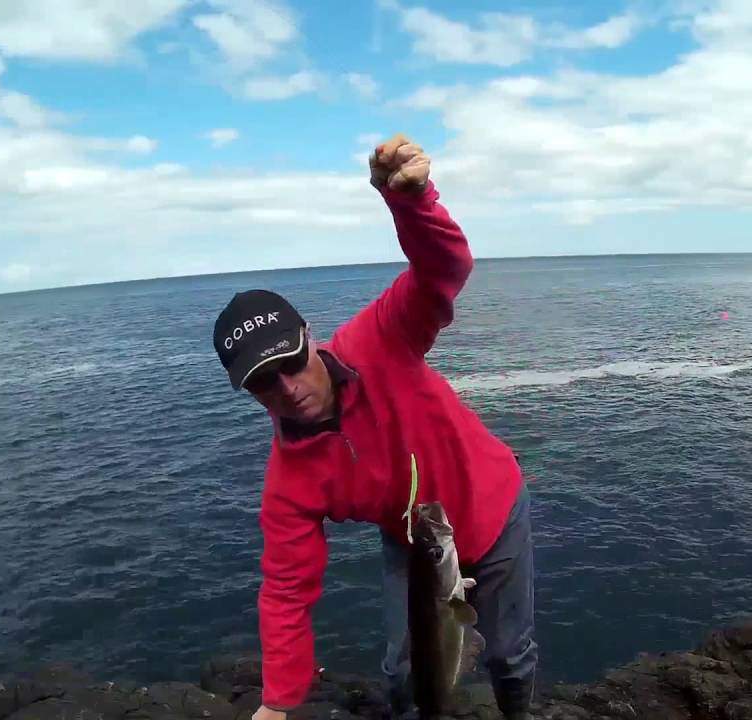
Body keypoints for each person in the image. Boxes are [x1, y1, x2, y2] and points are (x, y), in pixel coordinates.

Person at [212, 134, 538, 720]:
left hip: (492, 509)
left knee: (509, 655)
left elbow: (442, 271)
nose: (287, 388)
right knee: (403, 670)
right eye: (264, 382)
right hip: (416, 543)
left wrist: (411, 204)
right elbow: (286, 591)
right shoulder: (291, 481)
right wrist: (277, 704)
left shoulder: (379, 342)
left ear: (309, 337)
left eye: (291, 362)